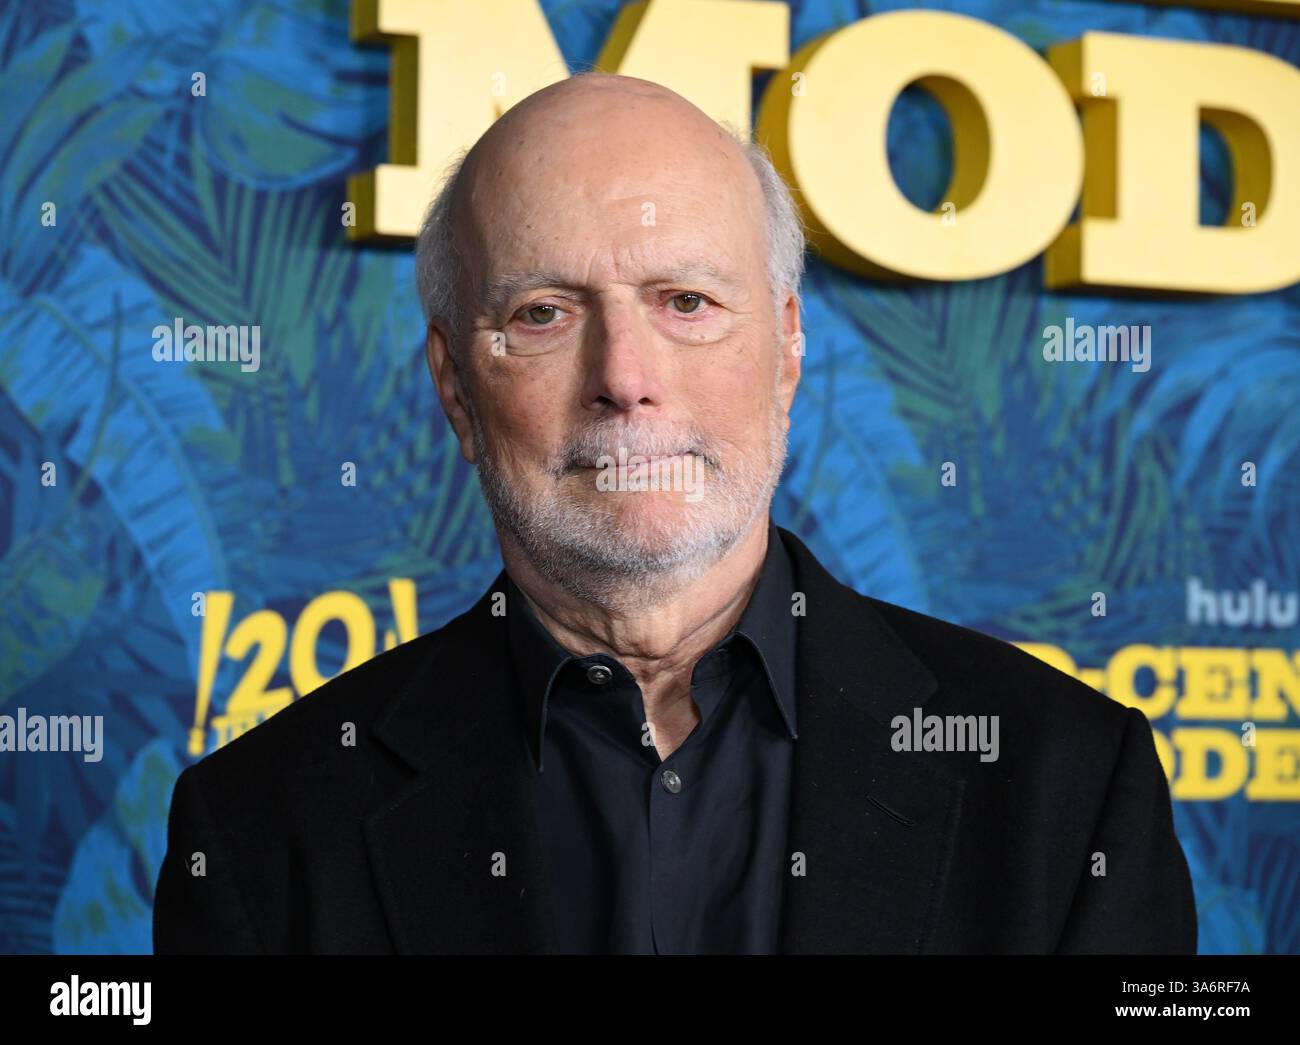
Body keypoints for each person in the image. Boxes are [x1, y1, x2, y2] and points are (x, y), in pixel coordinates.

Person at [153, 72, 1196, 954]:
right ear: (456, 388)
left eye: (686, 302)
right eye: (544, 313)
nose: (624, 378)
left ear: (786, 352)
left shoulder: (1064, 782)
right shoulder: (261, 828)